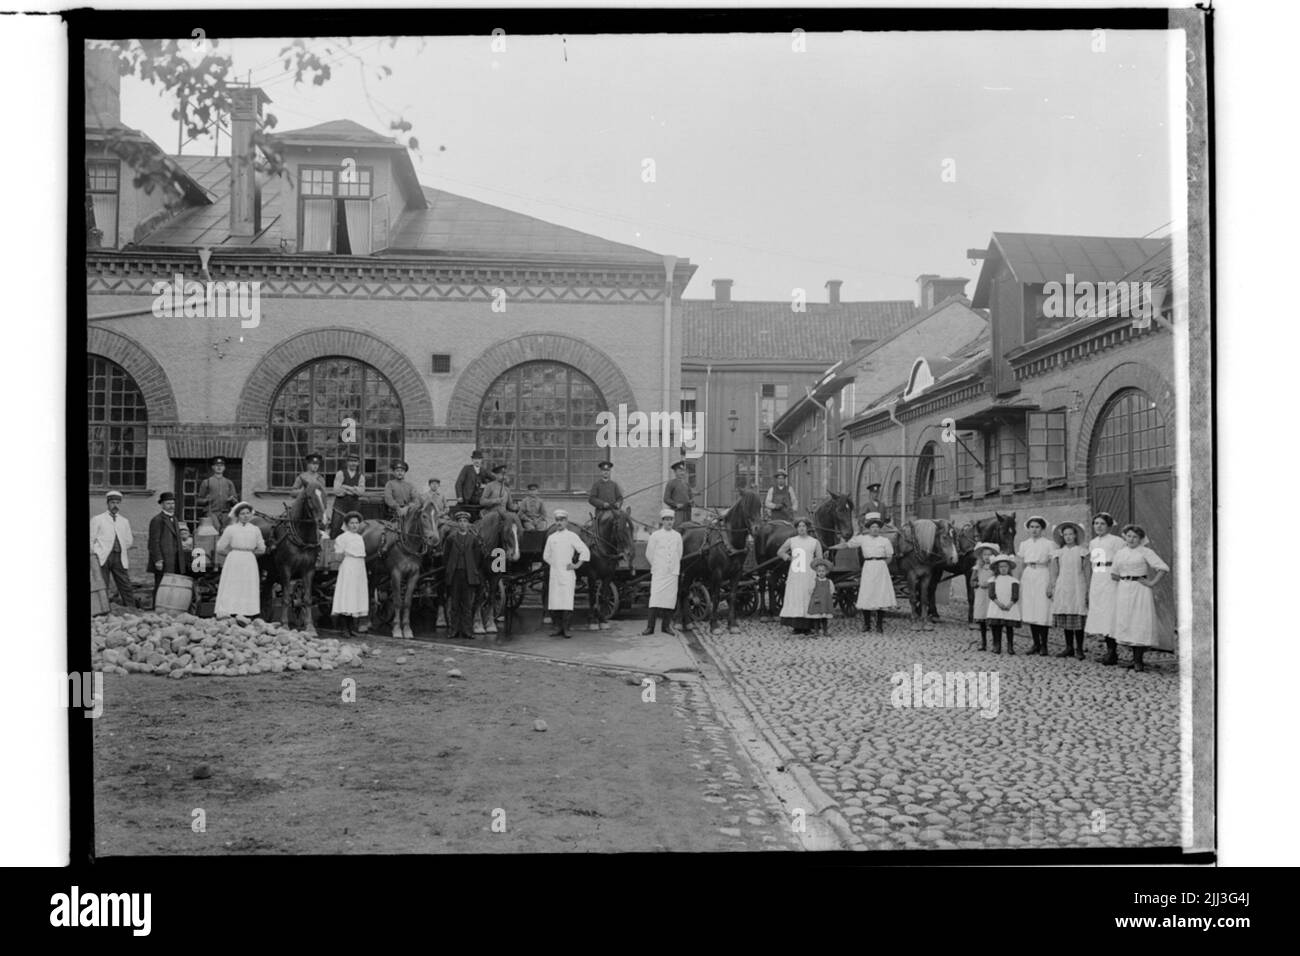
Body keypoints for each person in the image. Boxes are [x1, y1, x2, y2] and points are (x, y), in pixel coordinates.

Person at [1110, 524, 1170, 672]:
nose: (1131, 539)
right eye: (1129, 536)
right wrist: (1124, 578)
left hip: (1140, 589)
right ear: (1125, 536)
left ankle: (1138, 661)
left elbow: (1163, 568)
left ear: (1141, 539)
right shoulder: (1120, 553)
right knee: (1126, 620)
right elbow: (1113, 573)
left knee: (1139, 621)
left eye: (1135, 537)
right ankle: (1132, 658)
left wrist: (1151, 582)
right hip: (1124, 589)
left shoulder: (1145, 551)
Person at [839, 512, 894, 633]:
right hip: (868, 567)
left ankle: (879, 625)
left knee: (880, 595)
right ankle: (867, 624)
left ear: (879, 529)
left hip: (881, 568)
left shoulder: (885, 541)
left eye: (877, 527)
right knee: (867, 594)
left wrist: (883, 565)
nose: (875, 529)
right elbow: (847, 545)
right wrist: (832, 547)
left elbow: (889, 556)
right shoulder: (863, 539)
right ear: (869, 528)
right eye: (872, 527)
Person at [1086, 512, 1126, 665]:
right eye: (1096, 523)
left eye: (1102, 524)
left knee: (1111, 612)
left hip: (1111, 577)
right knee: (1101, 612)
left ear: (1109, 526)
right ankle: (1108, 650)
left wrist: (1118, 574)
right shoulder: (1093, 542)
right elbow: (1095, 564)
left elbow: (1122, 559)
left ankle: (1112, 651)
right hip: (1098, 577)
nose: (1099, 527)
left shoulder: (1117, 541)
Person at [214, 502, 266, 618]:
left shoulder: (255, 530)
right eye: (242, 514)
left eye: (248, 513)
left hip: (249, 560)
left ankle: (247, 612)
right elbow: (220, 548)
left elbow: (262, 548)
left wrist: (251, 554)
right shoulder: (231, 529)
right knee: (233, 584)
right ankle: (229, 610)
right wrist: (232, 554)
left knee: (247, 585)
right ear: (237, 516)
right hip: (234, 560)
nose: (246, 516)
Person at [543, 509, 590, 638]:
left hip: (568, 574)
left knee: (566, 601)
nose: (559, 523)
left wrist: (576, 565)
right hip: (555, 574)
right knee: (554, 601)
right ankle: (557, 628)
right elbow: (546, 555)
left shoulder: (572, 536)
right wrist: (555, 564)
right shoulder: (551, 538)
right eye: (557, 520)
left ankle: (566, 629)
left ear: (566, 522)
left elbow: (585, 551)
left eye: (562, 520)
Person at [1048, 520, 1089, 660]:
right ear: (1062, 537)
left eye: (1071, 534)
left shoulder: (1082, 551)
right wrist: (1052, 586)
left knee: (1077, 614)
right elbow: (1054, 572)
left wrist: (1088, 588)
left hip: (1078, 585)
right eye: (1066, 535)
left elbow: (1086, 570)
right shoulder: (1058, 553)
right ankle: (1069, 647)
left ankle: (1079, 648)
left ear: (1076, 536)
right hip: (1063, 585)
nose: (1068, 537)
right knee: (1066, 615)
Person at [91, 490, 137, 608]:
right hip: (102, 557)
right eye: (112, 502)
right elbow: (91, 538)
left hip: (119, 557)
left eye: (117, 502)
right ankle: (102, 609)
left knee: (125, 583)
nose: (115, 505)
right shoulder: (98, 519)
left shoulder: (124, 521)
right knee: (103, 584)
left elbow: (129, 540)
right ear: (108, 504)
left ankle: (131, 608)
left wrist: (120, 548)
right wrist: (95, 552)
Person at [442, 511, 483, 640]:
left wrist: (472, 569)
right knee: (454, 604)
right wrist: (449, 570)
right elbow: (446, 557)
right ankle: (453, 631)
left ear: (468, 524)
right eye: (460, 521)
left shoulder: (473, 539)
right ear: (457, 523)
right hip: (454, 575)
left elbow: (477, 558)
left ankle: (467, 631)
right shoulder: (451, 539)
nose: (463, 524)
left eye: (465, 521)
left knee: (467, 605)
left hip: (468, 575)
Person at [777, 517, 821, 635]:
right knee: (796, 596)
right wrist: (788, 558)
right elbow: (780, 551)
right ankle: (796, 626)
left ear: (807, 528)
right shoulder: (792, 541)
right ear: (796, 529)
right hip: (795, 573)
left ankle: (808, 626)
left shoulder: (814, 542)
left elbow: (819, 558)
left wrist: (817, 570)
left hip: (809, 572)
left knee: (807, 596)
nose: (801, 528)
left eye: (804, 526)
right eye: (799, 526)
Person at [1017, 515, 1054, 655]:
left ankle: (1044, 645)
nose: (1034, 530)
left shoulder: (1048, 544)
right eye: (1032, 527)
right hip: (1028, 575)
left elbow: (1052, 564)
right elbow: (1021, 564)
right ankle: (1035, 644)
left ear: (1042, 528)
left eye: (1037, 527)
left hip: (1042, 573)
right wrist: (1018, 580)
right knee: (1031, 609)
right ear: (1028, 528)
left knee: (1042, 609)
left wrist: (1051, 583)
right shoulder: (1024, 544)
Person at [642, 508, 683, 636]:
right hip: (659, 572)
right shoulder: (655, 536)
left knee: (670, 600)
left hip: (672, 572)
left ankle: (666, 626)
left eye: (671, 520)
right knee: (655, 598)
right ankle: (650, 627)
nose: (669, 522)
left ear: (674, 521)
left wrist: (673, 565)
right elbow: (649, 553)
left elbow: (679, 553)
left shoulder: (677, 536)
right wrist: (658, 566)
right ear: (663, 521)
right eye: (666, 520)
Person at [331, 511, 369, 635]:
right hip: (348, 567)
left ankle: (351, 628)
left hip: (359, 568)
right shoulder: (342, 538)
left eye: (357, 523)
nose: (354, 525)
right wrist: (342, 556)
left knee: (356, 596)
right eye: (351, 523)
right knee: (347, 595)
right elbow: (338, 556)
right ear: (347, 525)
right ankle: (344, 628)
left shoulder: (360, 538)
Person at [147, 491, 188, 598]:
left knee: (172, 584)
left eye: (173, 503)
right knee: (161, 584)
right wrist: (158, 559)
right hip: (164, 559)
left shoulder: (174, 519)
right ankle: (157, 606)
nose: (171, 506)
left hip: (175, 558)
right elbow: (153, 542)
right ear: (162, 505)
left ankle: (168, 605)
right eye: (168, 504)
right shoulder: (157, 520)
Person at [985, 554, 1021, 654]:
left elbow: (1015, 595)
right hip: (997, 606)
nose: (1003, 569)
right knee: (996, 627)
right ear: (997, 568)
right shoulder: (993, 580)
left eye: (1005, 566)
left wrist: (1010, 604)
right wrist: (999, 604)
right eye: (1001, 567)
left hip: (1009, 606)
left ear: (1009, 568)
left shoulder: (1013, 581)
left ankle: (1010, 646)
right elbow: (991, 594)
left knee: (1009, 628)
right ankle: (997, 645)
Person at [197, 456, 239, 531]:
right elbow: (199, 500)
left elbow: (236, 502)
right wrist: (206, 500)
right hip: (211, 512)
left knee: (227, 531)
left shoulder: (229, 483)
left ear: (224, 468)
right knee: (216, 528)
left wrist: (232, 500)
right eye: (217, 466)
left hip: (225, 513)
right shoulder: (207, 482)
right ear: (213, 467)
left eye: (221, 466)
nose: (219, 468)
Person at [292, 453, 329, 537]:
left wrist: (324, 510)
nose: (315, 466)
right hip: (303, 507)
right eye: (313, 464)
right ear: (308, 464)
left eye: (317, 464)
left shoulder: (320, 479)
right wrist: (303, 491)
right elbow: (292, 492)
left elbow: (323, 495)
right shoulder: (302, 477)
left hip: (317, 508)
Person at [970, 542, 999, 650]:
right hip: (981, 594)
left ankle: (996, 643)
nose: (987, 557)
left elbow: (999, 580)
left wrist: (991, 584)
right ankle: (983, 643)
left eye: (990, 554)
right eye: (985, 554)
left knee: (993, 619)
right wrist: (978, 584)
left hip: (991, 595)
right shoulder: (977, 568)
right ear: (981, 556)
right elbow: (972, 582)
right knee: (982, 620)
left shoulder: (995, 569)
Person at [330, 452, 365, 538]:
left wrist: (346, 487)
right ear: (347, 462)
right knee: (335, 529)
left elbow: (361, 492)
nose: (353, 463)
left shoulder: (361, 477)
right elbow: (337, 491)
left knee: (353, 531)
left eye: (355, 461)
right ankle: (333, 550)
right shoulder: (340, 473)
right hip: (340, 507)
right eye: (351, 461)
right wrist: (354, 489)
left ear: (358, 463)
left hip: (354, 507)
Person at [805, 559, 835, 636]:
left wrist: (828, 596)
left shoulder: (829, 582)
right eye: (819, 571)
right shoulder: (814, 581)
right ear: (816, 572)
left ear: (826, 572)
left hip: (825, 601)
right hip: (817, 601)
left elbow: (831, 590)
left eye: (823, 571)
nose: (821, 573)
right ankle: (816, 631)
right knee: (816, 617)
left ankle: (825, 631)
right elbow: (810, 590)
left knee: (824, 617)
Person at [454, 449, 486, 521]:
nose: (477, 461)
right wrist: (459, 496)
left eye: (479, 459)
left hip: (478, 502)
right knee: (459, 517)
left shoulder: (483, 470)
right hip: (467, 500)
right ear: (472, 460)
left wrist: (485, 485)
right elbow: (458, 483)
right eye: (475, 459)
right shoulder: (467, 469)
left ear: (481, 460)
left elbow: (494, 479)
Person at [663, 460, 695, 529]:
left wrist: (691, 501)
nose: (682, 473)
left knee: (687, 530)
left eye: (683, 471)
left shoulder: (686, 484)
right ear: (675, 472)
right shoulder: (671, 483)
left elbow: (690, 497)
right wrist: (676, 504)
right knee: (678, 529)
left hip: (687, 513)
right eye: (680, 471)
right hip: (677, 513)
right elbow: (666, 499)